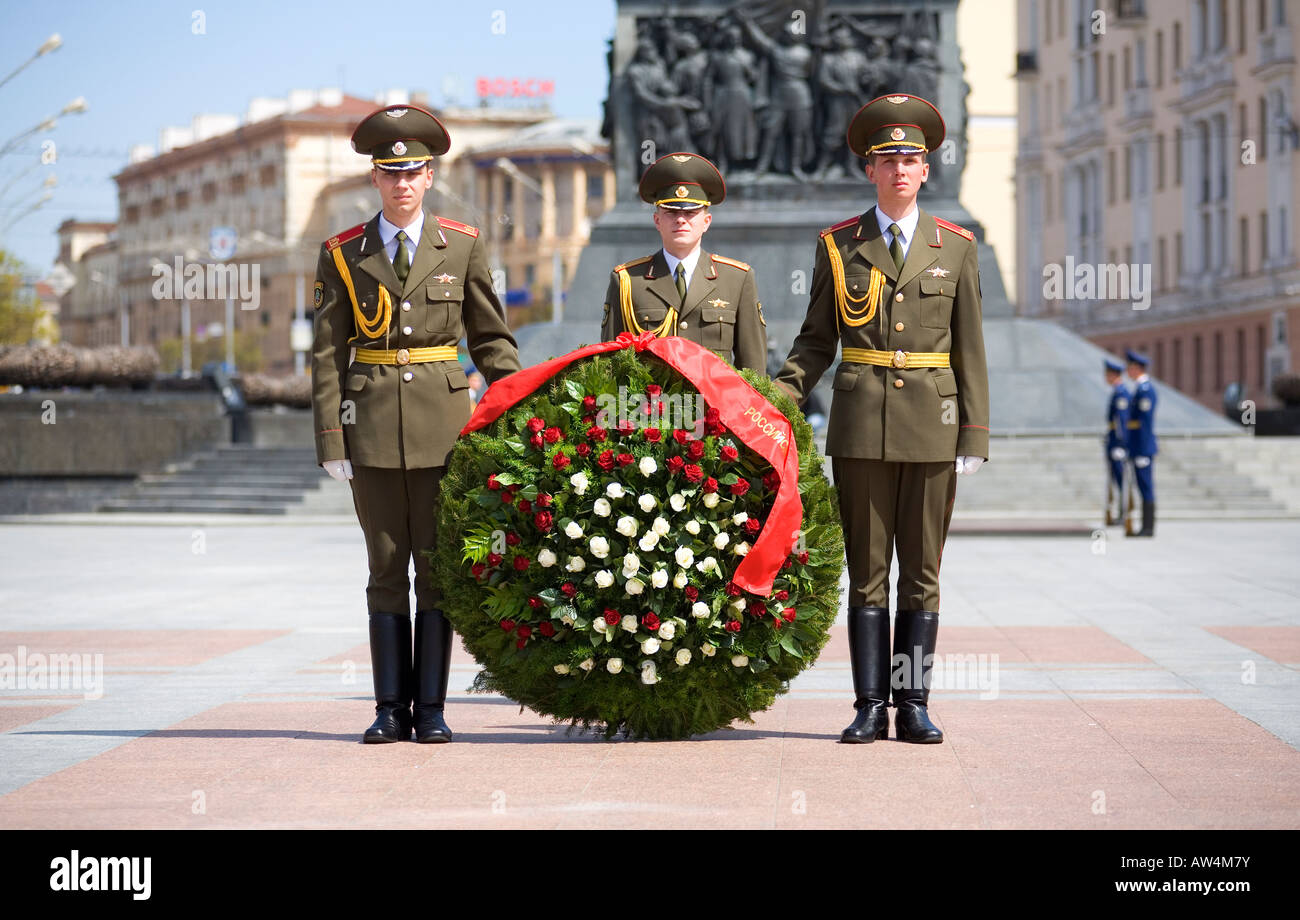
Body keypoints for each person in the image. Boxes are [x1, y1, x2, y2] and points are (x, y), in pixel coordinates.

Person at [775, 93, 989, 745]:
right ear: (869, 169)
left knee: (922, 573)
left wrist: (973, 432)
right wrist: (778, 395)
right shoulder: (840, 246)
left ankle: (913, 702)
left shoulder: (955, 248)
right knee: (868, 573)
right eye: (888, 158)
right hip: (862, 425)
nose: (900, 168)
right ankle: (870, 704)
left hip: (932, 424)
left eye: (911, 158)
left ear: (927, 170)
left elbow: (971, 346)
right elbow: (816, 340)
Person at [311, 104, 521, 744]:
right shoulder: (343, 252)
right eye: (390, 172)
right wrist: (330, 438)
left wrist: (516, 410)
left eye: (414, 171)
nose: (402, 183)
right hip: (370, 427)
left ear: (430, 176)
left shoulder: (461, 245)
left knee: (435, 569)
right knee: (384, 567)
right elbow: (325, 353)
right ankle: (387, 709)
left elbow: (492, 341)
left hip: (444, 429)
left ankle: (429, 710)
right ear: (373, 179)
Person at [601, 152, 766, 372]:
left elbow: (753, 370)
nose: (680, 219)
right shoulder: (628, 281)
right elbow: (609, 366)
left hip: (713, 405)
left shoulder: (736, 280)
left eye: (691, 212)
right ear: (657, 220)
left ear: (706, 221)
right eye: (671, 211)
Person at [1125, 349, 1158, 537]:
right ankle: (1145, 526)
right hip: (1137, 447)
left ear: (1137, 369)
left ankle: (1148, 527)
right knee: (1142, 486)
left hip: (1143, 449)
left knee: (1146, 487)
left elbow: (1144, 424)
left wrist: (1143, 452)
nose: (1128, 372)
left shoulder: (1146, 390)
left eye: (1130, 368)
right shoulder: (1139, 389)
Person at [1103, 357, 1130, 527]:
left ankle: (1124, 514)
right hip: (1113, 440)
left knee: (1122, 481)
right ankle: (1119, 513)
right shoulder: (1117, 391)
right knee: (1116, 480)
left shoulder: (1121, 393)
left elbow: (1122, 420)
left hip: (1118, 443)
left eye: (1107, 374)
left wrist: (1121, 443)